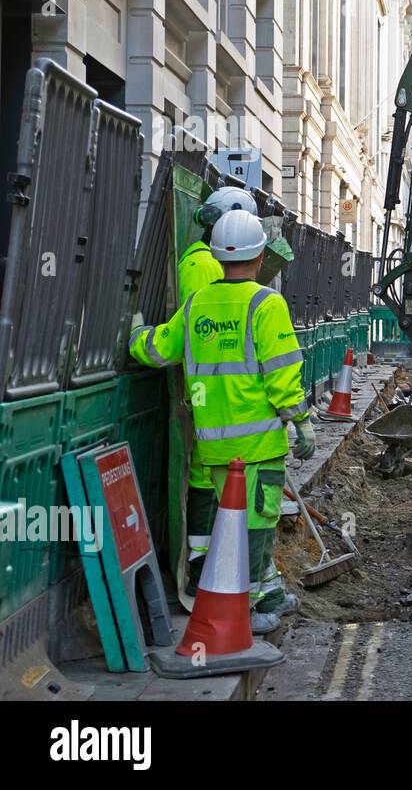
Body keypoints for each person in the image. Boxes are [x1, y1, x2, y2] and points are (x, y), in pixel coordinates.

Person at [131, 210, 314, 632]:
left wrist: (136, 335)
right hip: (259, 446)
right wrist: (301, 421)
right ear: (261, 254)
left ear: (215, 253)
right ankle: (246, 611)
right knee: (255, 526)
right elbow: (282, 371)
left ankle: (265, 593)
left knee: (234, 523)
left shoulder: (197, 304)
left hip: (213, 446)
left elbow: (160, 349)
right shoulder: (266, 304)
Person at [174, 186, 260, 592]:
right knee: (211, 476)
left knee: (213, 476)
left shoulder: (207, 264)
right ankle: (204, 566)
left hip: (216, 399)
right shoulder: (204, 267)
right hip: (215, 401)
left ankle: (208, 562)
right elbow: (193, 332)